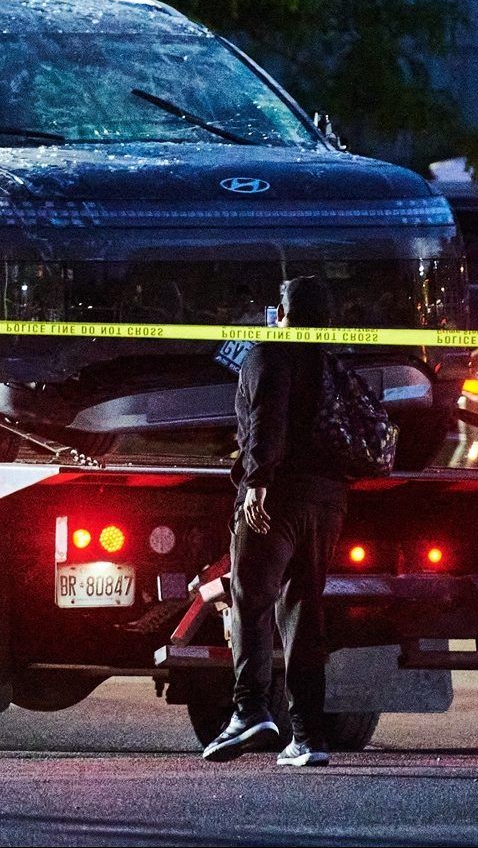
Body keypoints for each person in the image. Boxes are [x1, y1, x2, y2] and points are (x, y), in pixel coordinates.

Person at [203, 276, 348, 767]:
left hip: (277, 496)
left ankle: (250, 711)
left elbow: (268, 419)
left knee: (250, 597)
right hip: (327, 500)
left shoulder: (270, 353)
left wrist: (258, 482)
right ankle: (309, 738)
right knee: (304, 611)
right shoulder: (331, 360)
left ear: (282, 311)